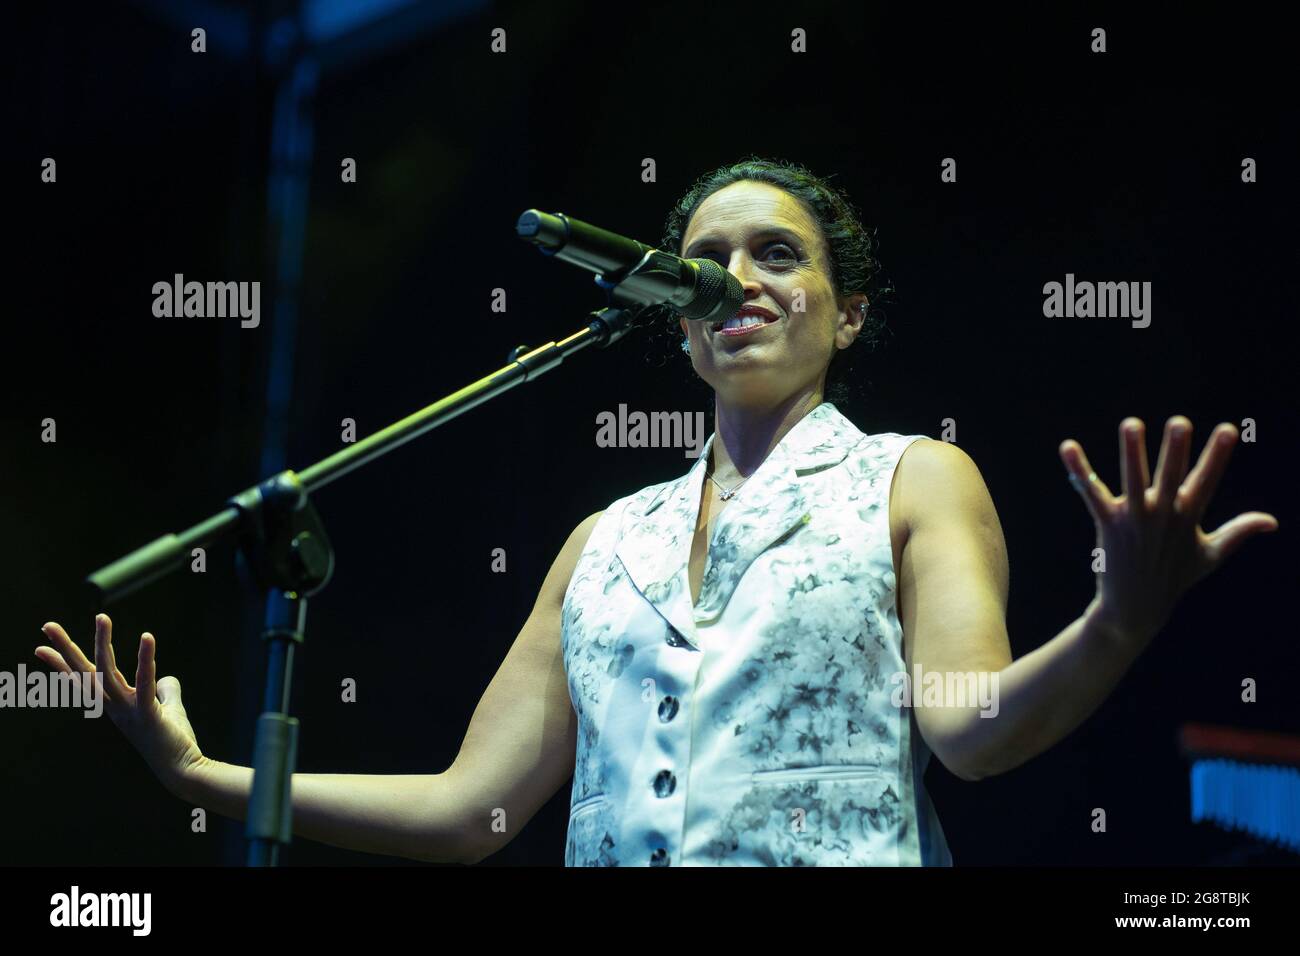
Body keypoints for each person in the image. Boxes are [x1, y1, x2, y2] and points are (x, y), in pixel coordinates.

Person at [35, 158, 1278, 866]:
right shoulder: (603, 543)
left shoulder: (910, 476)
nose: (735, 275)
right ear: (670, 317)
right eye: (706, 256)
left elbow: (966, 732)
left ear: (846, 315)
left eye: (778, 253)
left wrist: (1117, 617)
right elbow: (473, 807)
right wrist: (208, 774)